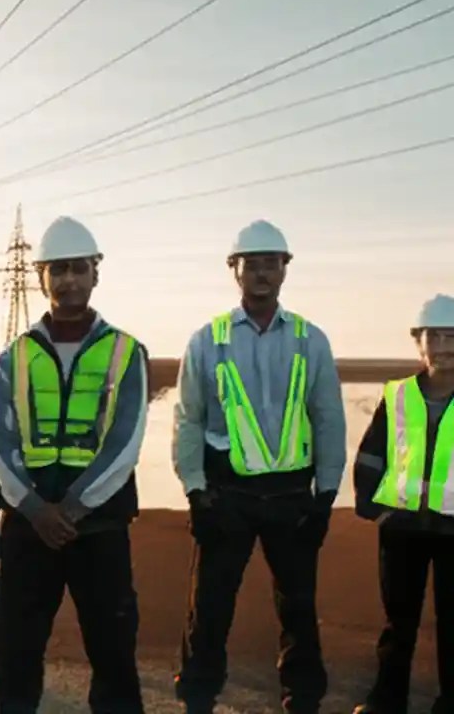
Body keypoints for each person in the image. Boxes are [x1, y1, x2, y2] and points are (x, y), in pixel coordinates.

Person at [172, 220, 347, 714]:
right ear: (235, 270)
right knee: (209, 607)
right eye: (252, 263)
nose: (262, 272)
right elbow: (188, 419)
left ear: (285, 269)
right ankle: (198, 696)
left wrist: (327, 495)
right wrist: (195, 491)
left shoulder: (311, 340)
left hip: (292, 498)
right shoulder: (208, 340)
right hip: (227, 497)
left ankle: (302, 697)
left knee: (298, 607)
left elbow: (328, 417)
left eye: (272, 262)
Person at [0, 216, 150, 714]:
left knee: (114, 652)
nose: (68, 281)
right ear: (41, 278)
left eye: (78, 269)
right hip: (28, 528)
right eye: (57, 271)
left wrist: (71, 509)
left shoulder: (125, 352)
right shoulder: (13, 357)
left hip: (96, 528)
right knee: (16, 655)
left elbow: (125, 441)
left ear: (95, 273)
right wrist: (36, 509)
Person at [351, 293, 454, 714]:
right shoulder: (396, 395)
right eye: (434, 336)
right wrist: (370, 502)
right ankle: (386, 701)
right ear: (418, 341)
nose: (444, 347)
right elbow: (373, 452)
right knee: (399, 622)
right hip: (403, 528)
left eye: (452, 336)